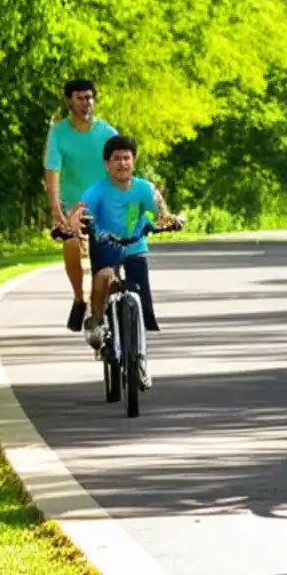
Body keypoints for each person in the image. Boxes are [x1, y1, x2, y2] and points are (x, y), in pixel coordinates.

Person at [66, 136, 176, 368]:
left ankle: (139, 353)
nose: (122, 163)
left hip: (135, 247)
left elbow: (162, 212)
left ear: (133, 161)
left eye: (127, 158)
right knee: (105, 277)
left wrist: (170, 221)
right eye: (117, 159)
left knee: (141, 298)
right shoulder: (95, 192)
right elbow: (79, 214)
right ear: (107, 164)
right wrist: (75, 226)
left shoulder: (145, 189)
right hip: (105, 247)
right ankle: (96, 319)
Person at [44, 79, 119, 332]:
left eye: (90, 98)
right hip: (73, 205)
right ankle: (79, 298)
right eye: (80, 98)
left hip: (104, 205)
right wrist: (57, 211)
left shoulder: (108, 134)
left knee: (108, 267)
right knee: (72, 243)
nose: (87, 103)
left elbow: (123, 171)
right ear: (69, 101)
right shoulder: (59, 133)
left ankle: (104, 313)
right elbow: (52, 170)